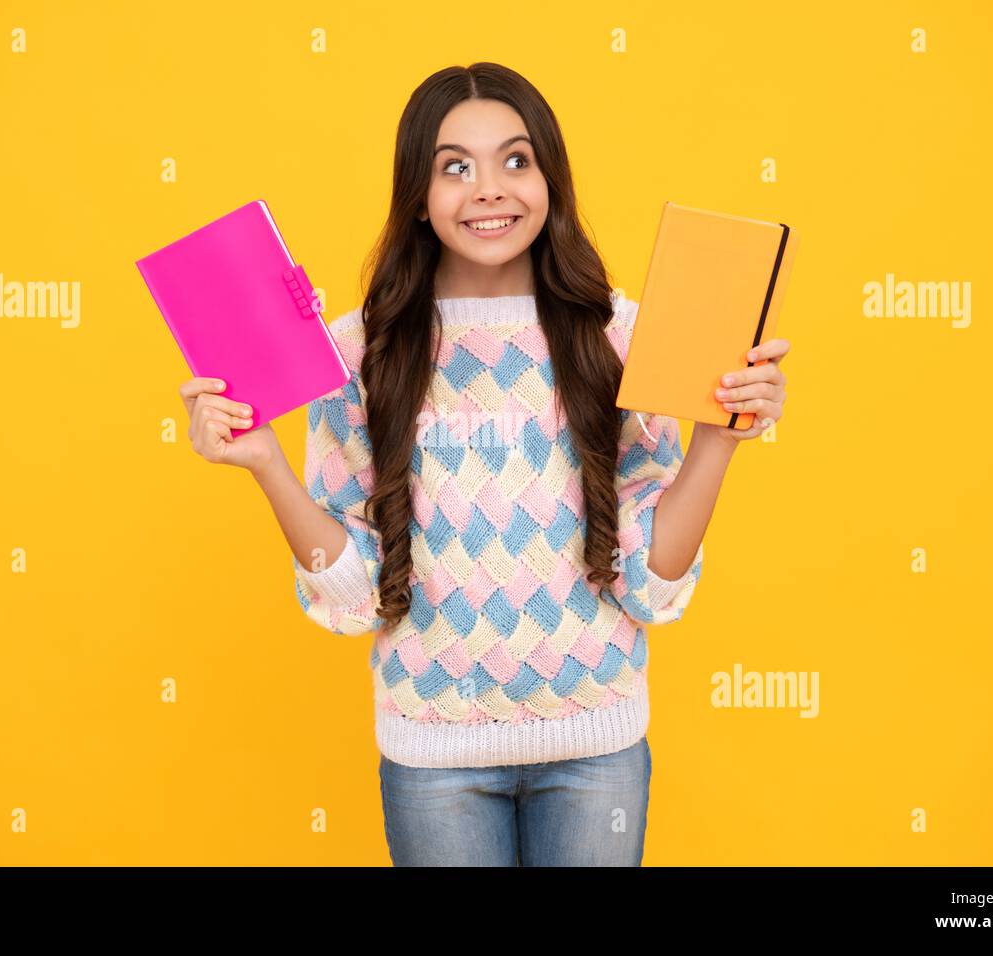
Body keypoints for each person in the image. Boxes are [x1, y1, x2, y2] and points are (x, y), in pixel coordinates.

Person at [177, 62, 790, 866]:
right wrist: (267, 466)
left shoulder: (622, 336)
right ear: (419, 197)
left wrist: (718, 437)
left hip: (595, 746)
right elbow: (358, 598)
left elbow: (648, 578)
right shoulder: (359, 352)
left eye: (516, 159)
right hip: (433, 759)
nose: (489, 189)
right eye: (454, 167)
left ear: (550, 178)